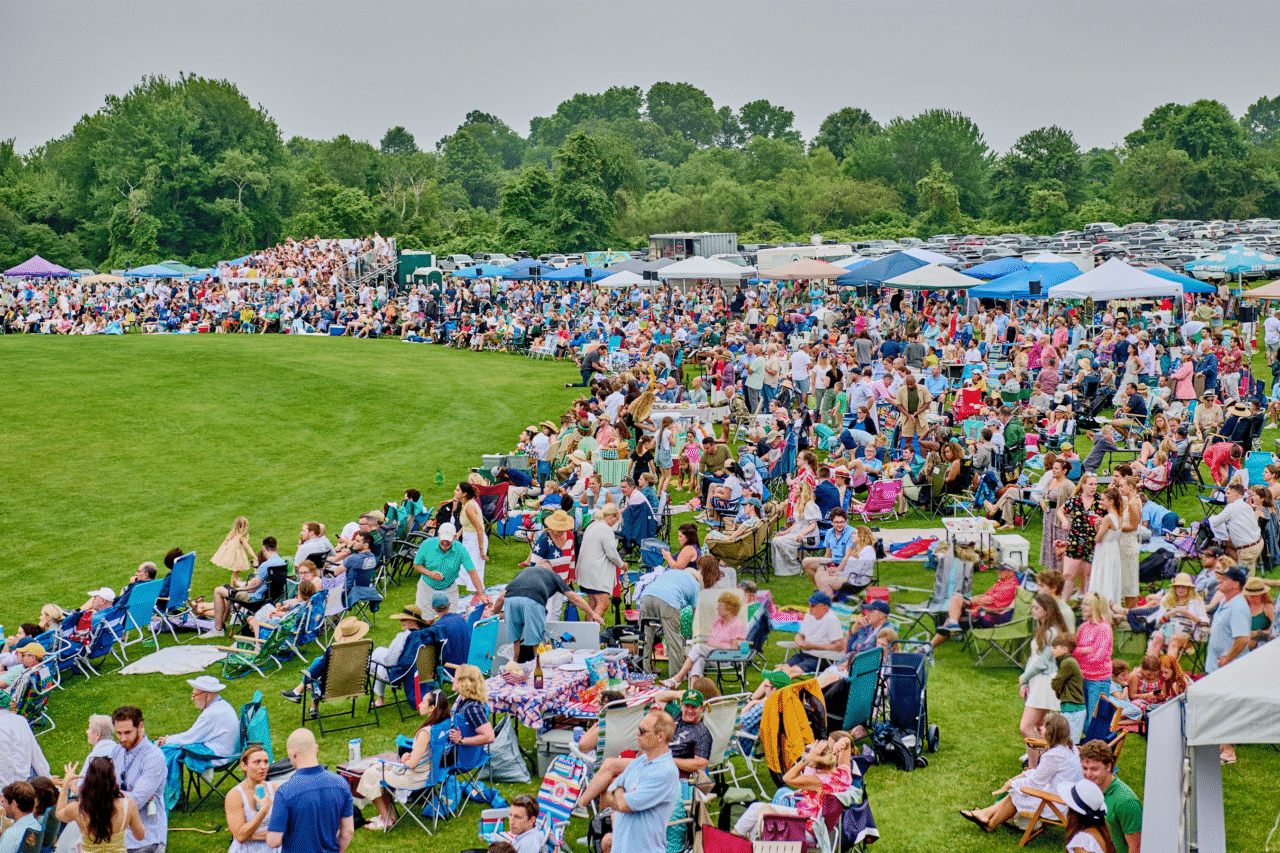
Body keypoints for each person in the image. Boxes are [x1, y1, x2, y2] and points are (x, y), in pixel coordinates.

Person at [960, 712, 1081, 833]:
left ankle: (990, 823)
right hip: (1068, 800)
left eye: (1044, 726)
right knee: (1019, 786)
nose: (1040, 728)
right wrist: (1020, 777)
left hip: (1057, 805)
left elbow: (1036, 782)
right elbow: (1041, 774)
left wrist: (1012, 783)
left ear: (1052, 732)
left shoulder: (1053, 756)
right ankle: (985, 814)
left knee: (1019, 791)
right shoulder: (1070, 748)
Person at [355, 689, 451, 831]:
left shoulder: (425, 732)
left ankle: (385, 819)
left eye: (423, 701)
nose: (419, 704)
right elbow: (426, 754)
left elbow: (411, 765)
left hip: (416, 778)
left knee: (371, 774)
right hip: (431, 773)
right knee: (377, 769)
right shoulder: (442, 725)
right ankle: (389, 816)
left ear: (432, 708)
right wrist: (409, 756)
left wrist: (405, 761)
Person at [730, 738, 854, 840]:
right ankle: (735, 840)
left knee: (757, 820)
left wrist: (807, 758)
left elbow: (787, 778)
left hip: (808, 829)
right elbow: (847, 747)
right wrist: (844, 741)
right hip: (816, 824)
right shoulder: (844, 775)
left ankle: (732, 841)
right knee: (756, 810)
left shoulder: (819, 781)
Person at [599, 710, 681, 853]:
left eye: (642, 731)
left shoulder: (665, 772)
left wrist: (619, 791)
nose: (637, 733)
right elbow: (609, 794)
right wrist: (622, 793)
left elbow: (623, 804)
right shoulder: (638, 762)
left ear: (660, 736)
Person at [490, 565, 602, 664]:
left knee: (514, 641)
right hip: (533, 601)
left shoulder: (523, 572)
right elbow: (575, 597)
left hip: (511, 600)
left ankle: (513, 669)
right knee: (537, 642)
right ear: (549, 569)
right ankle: (541, 668)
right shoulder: (553, 575)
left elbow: (500, 598)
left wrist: (493, 615)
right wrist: (593, 614)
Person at [155, 675, 239, 807]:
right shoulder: (221, 705)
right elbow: (194, 735)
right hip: (227, 750)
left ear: (208, 695)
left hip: (218, 755)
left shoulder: (212, 713)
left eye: (195, 695)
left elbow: (190, 737)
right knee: (174, 748)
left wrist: (167, 740)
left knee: (170, 751)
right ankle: (174, 794)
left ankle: (174, 796)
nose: (192, 698)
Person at [266, 729, 354, 853]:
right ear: (316, 748)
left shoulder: (285, 792)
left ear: (293, 754)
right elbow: (348, 831)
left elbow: (273, 841)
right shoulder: (341, 784)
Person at [1206, 564, 1251, 764]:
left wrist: (1228, 658)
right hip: (1217, 666)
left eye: (1224, 579)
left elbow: (1242, 638)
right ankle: (1220, 744)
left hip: (1228, 667)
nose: (1220, 581)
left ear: (1236, 584)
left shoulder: (1238, 607)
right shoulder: (1226, 602)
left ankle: (1228, 751)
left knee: (1226, 707)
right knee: (1218, 705)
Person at [108, 706, 167, 853]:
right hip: (118, 836)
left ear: (140, 727)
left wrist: (107, 794)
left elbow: (136, 801)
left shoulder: (154, 757)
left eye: (127, 733)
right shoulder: (116, 751)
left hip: (146, 839)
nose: (122, 738)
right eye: (118, 733)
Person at [637, 559, 710, 676]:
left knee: (645, 638)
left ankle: (644, 673)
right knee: (673, 640)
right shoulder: (695, 584)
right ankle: (676, 676)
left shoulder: (671, 573)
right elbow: (697, 614)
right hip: (669, 602)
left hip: (646, 596)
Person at [661, 592, 746, 688]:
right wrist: (704, 641)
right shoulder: (718, 620)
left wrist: (712, 646)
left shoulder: (737, 625)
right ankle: (693, 693)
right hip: (710, 656)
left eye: (720, 606)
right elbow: (711, 638)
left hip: (724, 658)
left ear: (729, 608)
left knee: (698, 648)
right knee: (699, 659)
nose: (717, 608)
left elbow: (733, 650)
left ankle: (678, 678)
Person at [1018, 593, 1070, 739]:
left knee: (1026, 727)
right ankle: (1040, 759)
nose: (1032, 610)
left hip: (1045, 682)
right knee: (1040, 727)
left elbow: (1042, 662)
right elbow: (1033, 658)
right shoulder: (1042, 630)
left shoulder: (1053, 632)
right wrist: (1025, 683)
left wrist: (1024, 678)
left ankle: (1038, 761)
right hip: (1036, 680)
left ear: (1047, 610)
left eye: (1036, 608)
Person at [931, 563, 1020, 647]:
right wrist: (973, 600)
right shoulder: (1003, 582)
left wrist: (973, 601)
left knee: (952, 617)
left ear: (1012, 572)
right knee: (955, 599)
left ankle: (929, 646)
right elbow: (985, 596)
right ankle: (952, 624)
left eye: (1002, 569)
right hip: (979, 609)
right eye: (998, 569)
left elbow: (989, 600)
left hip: (986, 614)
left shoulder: (1011, 586)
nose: (998, 571)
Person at [1079, 740, 1140, 853]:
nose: (1088, 774)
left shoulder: (1126, 801)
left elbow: (1136, 847)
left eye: (1094, 769)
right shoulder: (1090, 789)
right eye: (1084, 768)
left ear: (1108, 767)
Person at [413, 522, 485, 613]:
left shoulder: (460, 549)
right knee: (426, 620)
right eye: (443, 539)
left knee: (449, 619)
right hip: (426, 587)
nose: (445, 542)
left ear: (455, 537)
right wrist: (429, 573)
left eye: (448, 540)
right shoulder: (427, 544)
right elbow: (416, 564)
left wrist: (481, 594)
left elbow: (472, 572)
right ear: (438, 534)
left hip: (449, 588)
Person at [224, 746, 276, 853]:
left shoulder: (275, 789)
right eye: (257, 762)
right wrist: (263, 811)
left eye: (266, 762)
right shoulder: (235, 795)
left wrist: (251, 835)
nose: (263, 766)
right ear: (244, 766)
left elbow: (287, 827)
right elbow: (241, 837)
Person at [577, 506, 626, 620]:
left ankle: (587, 633)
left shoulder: (592, 525)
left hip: (585, 571)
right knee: (603, 603)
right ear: (610, 517)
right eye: (615, 520)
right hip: (595, 574)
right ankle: (592, 632)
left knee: (592, 605)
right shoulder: (605, 529)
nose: (614, 524)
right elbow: (612, 553)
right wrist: (622, 564)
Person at [1146, 573, 1207, 659]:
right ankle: (1150, 666)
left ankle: (1169, 668)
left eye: (1183, 587)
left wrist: (1189, 615)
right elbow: (1158, 622)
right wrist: (1168, 615)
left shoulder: (1196, 601)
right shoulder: (1167, 599)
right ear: (1174, 588)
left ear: (1189, 588)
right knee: (1157, 636)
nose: (1180, 589)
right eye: (1178, 586)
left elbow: (1204, 621)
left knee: (1174, 639)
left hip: (1187, 633)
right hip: (1168, 630)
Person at [782, 592, 845, 673]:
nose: (810, 608)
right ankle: (767, 685)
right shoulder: (809, 615)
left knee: (791, 671)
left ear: (825, 607)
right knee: (781, 669)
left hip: (821, 658)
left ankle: (779, 680)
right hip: (804, 654)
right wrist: (799, 640)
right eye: (809, 605)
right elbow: (800, 634)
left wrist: (813, 646)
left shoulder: (831, 620)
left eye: (813, 605)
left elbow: (839, 646)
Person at [1208, 483, 1263, 573]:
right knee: (1228, 542)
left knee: (1244, 581)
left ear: (1236, 496)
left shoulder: (1232, 507)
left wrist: (1211, 517)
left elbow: (1213, 522)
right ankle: (1236, 568)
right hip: (1257, 542)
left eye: (1228, 493)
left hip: (1248, 549)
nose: (1226, 495)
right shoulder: (1245, 505)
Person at [1089, 488, 1124, 607]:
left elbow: (1098, 539)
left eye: (1103, 500)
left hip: (1104, 550)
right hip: (1114, 549)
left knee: (1102, 576)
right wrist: (1098, 525)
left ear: (1111, 501)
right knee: (1110, 577)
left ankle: (1100, 605)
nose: (1100, 502)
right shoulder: (1119, 516)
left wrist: (1099, 526)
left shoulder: (1108, 518)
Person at [1052, 634, 1087, 742]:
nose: (1052, 650)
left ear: (1064, 649)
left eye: (1055, 648)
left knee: (1071, 742)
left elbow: (1055, 683)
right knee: (1065, 740)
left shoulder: (1067, 663)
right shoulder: (1066, 661)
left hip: (1074, 708)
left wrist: (1058, 687)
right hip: (1070, 706)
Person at [0, 781, 42, 853]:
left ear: (14, 804)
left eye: (4, 802)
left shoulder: (11, 835)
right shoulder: (37, 826)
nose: (3, 806)